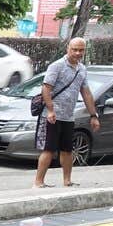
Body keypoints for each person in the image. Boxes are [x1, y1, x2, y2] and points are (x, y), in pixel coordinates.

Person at [34, 37, 99, 189]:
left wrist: (93, 115)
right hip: (51, 116)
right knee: (49, 149)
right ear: (67, 49)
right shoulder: (57, 66)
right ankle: (38, 182)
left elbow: (86, 93)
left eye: (81, 50)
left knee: (68, 150)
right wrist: (50, 110)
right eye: (74, 49)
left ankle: (67, 181)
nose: (77, 53)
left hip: (68, 116)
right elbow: (46, 88)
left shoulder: (82, 69)